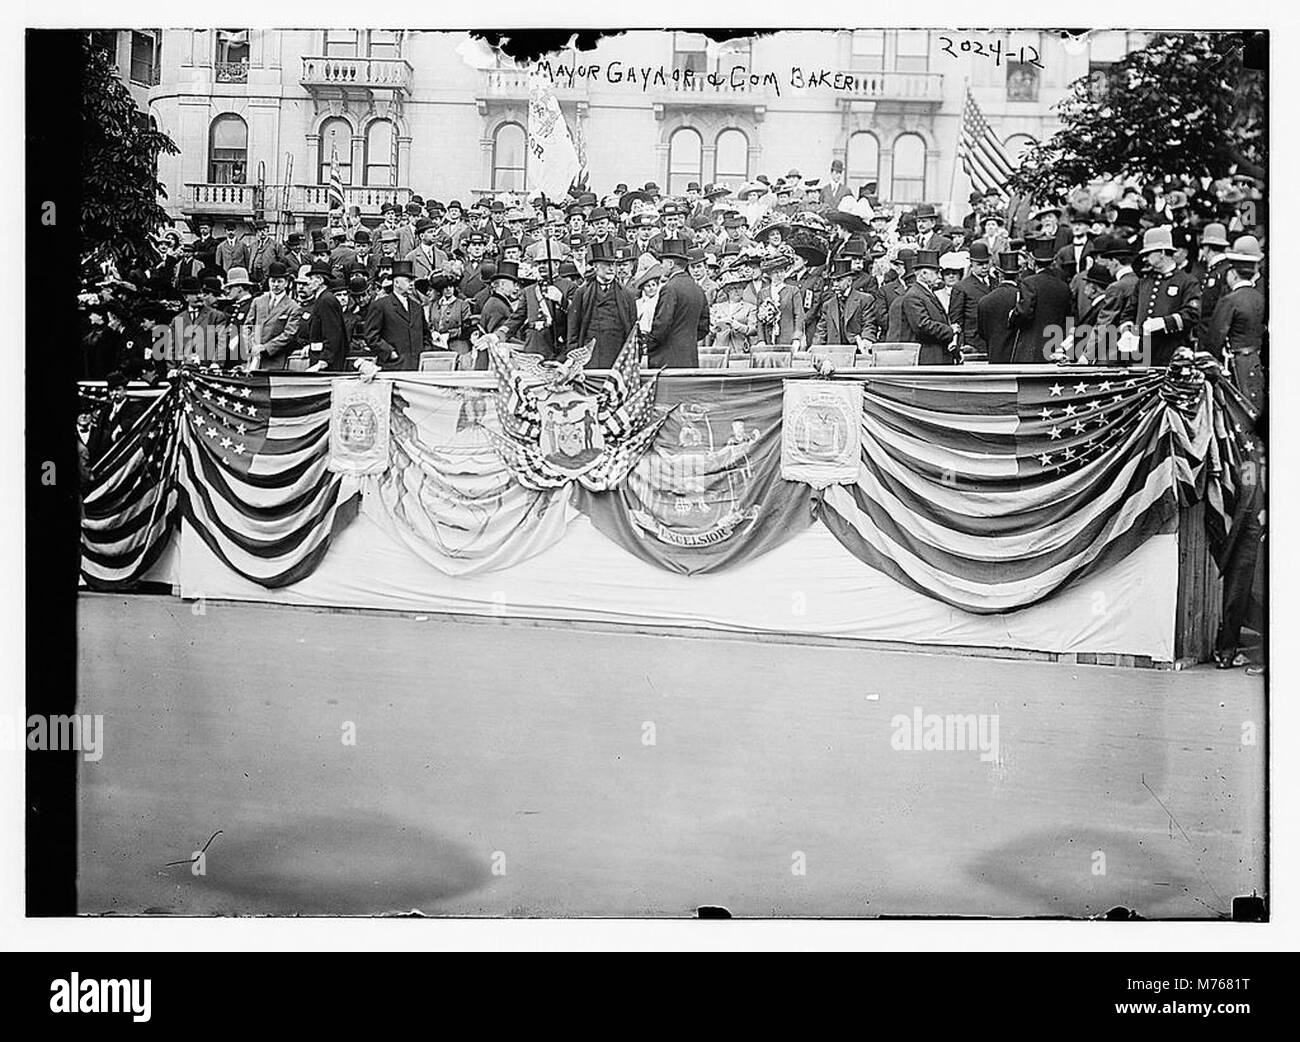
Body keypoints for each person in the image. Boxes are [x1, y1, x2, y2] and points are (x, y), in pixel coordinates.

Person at [1203, 236, 1266, 409]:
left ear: (1232, 274)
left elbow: (1214, 339)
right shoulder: (1262, 298)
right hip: (1258, 360)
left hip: (1235, 364)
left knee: (1237, 408)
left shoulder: (1229, 301)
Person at [567, 240, 637, 369]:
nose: (611, 268)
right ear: (595, 266)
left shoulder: (627, 294)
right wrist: (573, 355)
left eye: (613, 264)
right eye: (606, 264)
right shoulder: (582, 292)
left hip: (616, 352)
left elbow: (632, 327)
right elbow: (573, 327)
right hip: (590, 353)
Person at [645, 238, 709, 368]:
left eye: (662, 262)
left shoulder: (669, 288)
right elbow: (704, 327)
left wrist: (648, 344)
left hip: (667, 359)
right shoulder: (698, 289)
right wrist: (686, 340)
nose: (661, 266)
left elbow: (661, 325)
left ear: (670, 263)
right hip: (690, 357)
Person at [1008, 238, 1072, 364]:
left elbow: (1024, 313)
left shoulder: (1029, 283)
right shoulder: (1063, 286)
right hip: (1056, 347)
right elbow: (1069, 318)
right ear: (1052, 261)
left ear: (1033, 261)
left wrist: (1012, 317)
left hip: (1032, 347)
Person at [362, 258, 433, 370]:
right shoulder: (381, 305)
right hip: (394, 365)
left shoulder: (417, 306)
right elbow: (371, 336)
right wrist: (389, 352)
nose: (411, 284)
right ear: (396, 283)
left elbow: (426, 334)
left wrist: (425, 351)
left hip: (417, 366)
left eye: (412, 281)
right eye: (407, 281)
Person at [900, 251, 959, 365]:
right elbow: (922, 325)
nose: (939, 276)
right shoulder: (913, 295)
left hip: (937, 355)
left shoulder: (925, 293)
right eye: (936, 272)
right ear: (924, 273)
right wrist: (950, 330)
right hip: (928, 357)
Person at [246, 261, 302, 371]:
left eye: (279, 281)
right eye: (273, 281)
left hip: (275, 359)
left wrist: (265, 347)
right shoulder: (258, 301)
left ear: (286, 283)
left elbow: (289, 334)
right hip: (254, 357)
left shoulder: (293, 307)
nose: (276, 285)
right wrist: (251, 344)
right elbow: (247, 326)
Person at [814, 257, 878, 348]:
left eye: (839, 280)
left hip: (857, 350)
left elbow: (869, 324)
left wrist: (866, 340)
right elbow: (821, 331)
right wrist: (814, 348)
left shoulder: (865, 300)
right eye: (833, 281)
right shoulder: (828, 305)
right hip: (834, 351)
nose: (835, 284)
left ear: (849, 281)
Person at [949, 241, 994, 358]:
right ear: (971, 263)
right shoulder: (962, 287)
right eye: (979, 264)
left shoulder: (996, 283)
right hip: (973, 344)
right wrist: (962, 344)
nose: (984, 267)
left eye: (986, 263)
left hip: (995, 341)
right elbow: (956, 320)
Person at [300, 260, 349, 371]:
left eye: (312, 279)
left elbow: (333, 334)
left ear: (321, 280)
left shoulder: (326, 300)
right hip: (319, 357)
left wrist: (323, 361)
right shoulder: (322, 299)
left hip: (327, 364)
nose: (309, 282)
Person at [977, 252, 1023, 365]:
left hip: (995, 357)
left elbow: (982, 333)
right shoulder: (1023, 298)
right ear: (1019, 275)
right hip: (1018, 357)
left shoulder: (985, 301)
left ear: (999, 274)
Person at [709, 267, 759, 353]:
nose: (737, 291)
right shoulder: (717, 307)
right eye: (733, 288)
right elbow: (711, 331)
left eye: (739, 288)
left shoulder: (750, 308)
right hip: (720, 349)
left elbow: (753, 330)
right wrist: (714, 329)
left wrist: (736, 325)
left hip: (740, 349)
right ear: (727, 291)